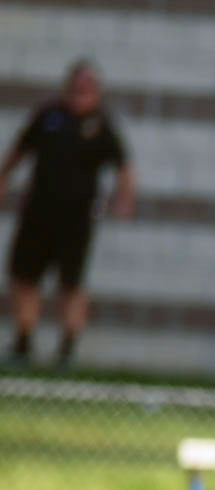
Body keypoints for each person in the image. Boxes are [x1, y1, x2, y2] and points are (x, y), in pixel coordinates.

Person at [2, 59, 135, 369]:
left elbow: (124, 167)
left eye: (87, 90)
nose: (80, 95)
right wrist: (3, 178)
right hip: (37, 215)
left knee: (71, 285)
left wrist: (124, 198)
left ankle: (67, 349)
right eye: (76, 88)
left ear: (97, 93)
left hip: (76, 222)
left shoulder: (102, 125)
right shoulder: (48, 116)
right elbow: (19, 150)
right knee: (25, 278)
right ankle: (23, 343)